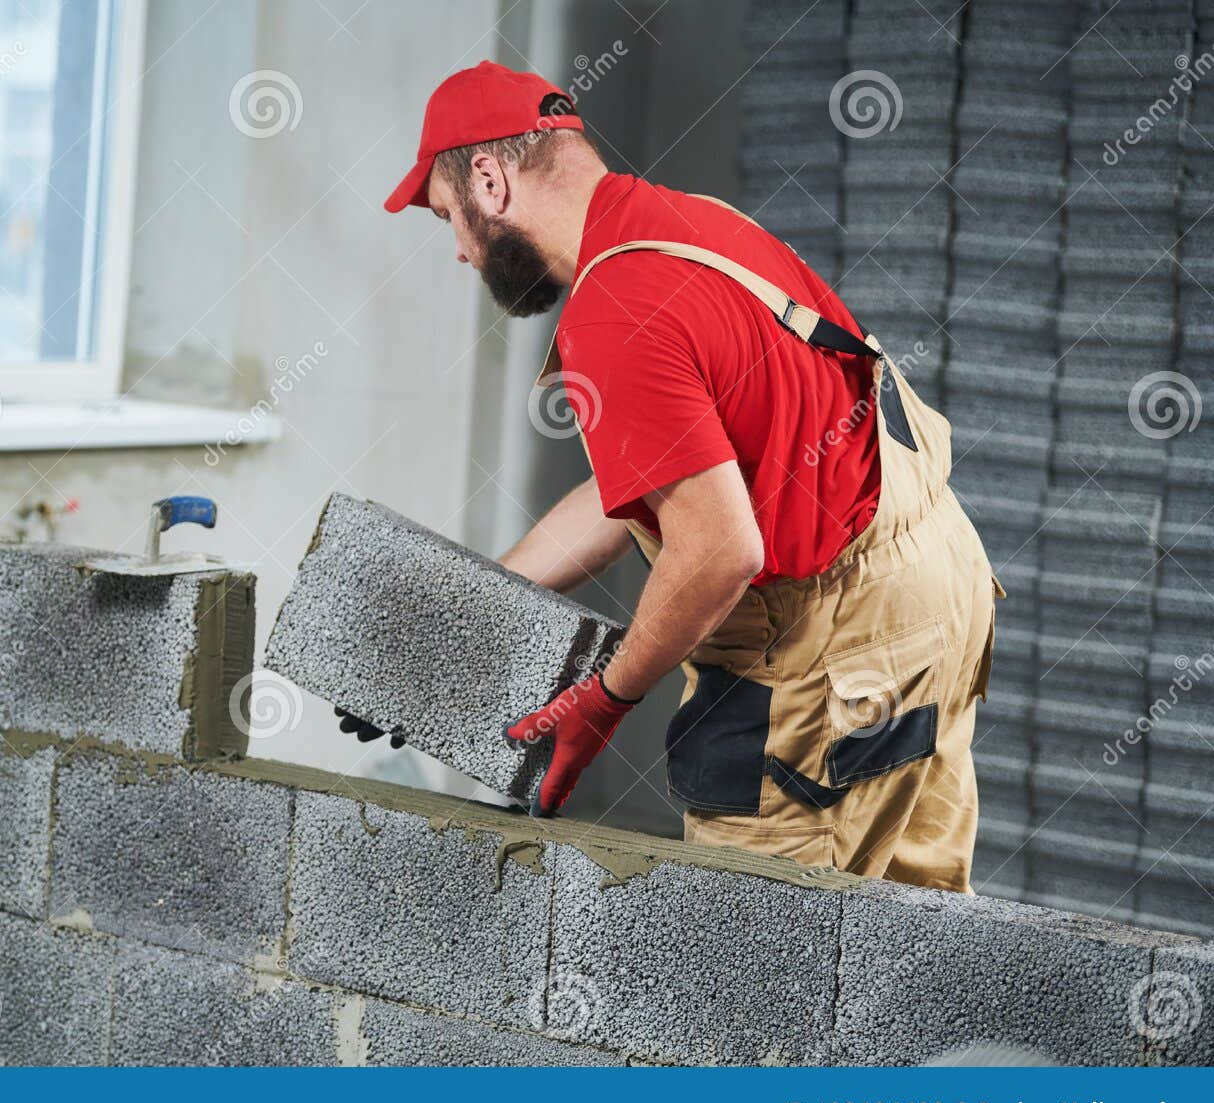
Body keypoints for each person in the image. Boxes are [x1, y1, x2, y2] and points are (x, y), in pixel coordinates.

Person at [372, 61, 1000, 891]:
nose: (457, 250)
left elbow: (718, 548)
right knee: (909, 939)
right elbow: (658, 477)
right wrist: (476, 607)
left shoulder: (616, 307)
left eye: (449, 216)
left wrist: (605, 696)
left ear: (489, 180)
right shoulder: (691, 224)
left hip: (837, 654)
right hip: (933, 590)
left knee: (752, 952)